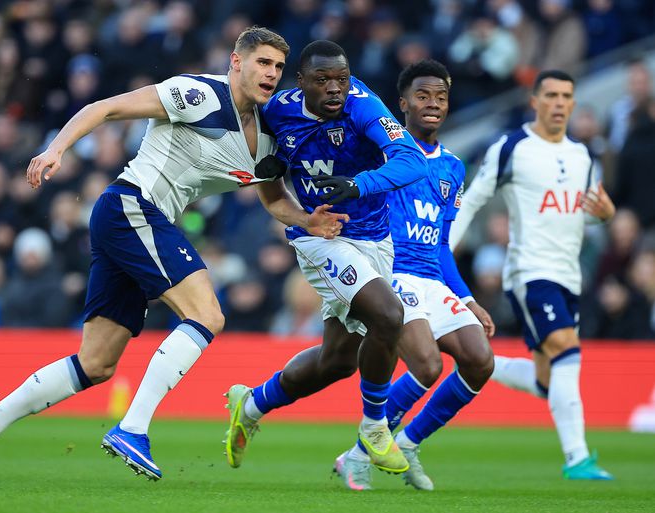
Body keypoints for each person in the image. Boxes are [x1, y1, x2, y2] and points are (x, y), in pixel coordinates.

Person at [0, 27, 345, 484]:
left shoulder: (270, 138)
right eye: (262, 62)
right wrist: (56, 149)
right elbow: (107, 107)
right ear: (237, 62)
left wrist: (306, 220)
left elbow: (273, 201)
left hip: (135, 221)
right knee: (207, 314)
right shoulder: (197, 94)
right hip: (132, 206)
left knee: (95, 364)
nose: (270, 73)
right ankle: (133, 428)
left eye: (277, 67)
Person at [224, 40, 428, 475]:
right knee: (389, 316)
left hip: (375, 239)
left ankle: (253, 404)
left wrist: (359, 185)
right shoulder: (276, 113)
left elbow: (412, 161)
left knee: (337, 361)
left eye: (341, 78)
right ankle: (375, 427)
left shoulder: (363, 105)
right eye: (323, 81)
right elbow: (266, 183)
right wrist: (283, 189)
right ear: (301, 84)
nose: (335, 88)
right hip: (319, 237)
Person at [332, 59, 494, 491]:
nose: (433, 104)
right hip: (392, 273)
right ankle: (360, 454)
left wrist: (469, 299)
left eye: (441, 97)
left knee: (480, 361)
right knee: (427, 364)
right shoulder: (384, 151)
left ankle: (408, 442)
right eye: (423, 96)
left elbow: (441, 245)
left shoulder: (454, 167)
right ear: (402, 104)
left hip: (433, 280)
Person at [449, 70, 616, 480]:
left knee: (547, 379)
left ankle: (483, 365)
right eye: (552, 95)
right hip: (530, 271)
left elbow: (584, 216)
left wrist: (605, 216)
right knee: (565, 345)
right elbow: (471, 201)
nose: (559, 103)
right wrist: (439, 254)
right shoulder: (512, 148)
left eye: (566, 96)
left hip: (568, 275)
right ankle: (577, 458)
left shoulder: (582, 156)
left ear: (574, 104)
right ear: (535, 101)